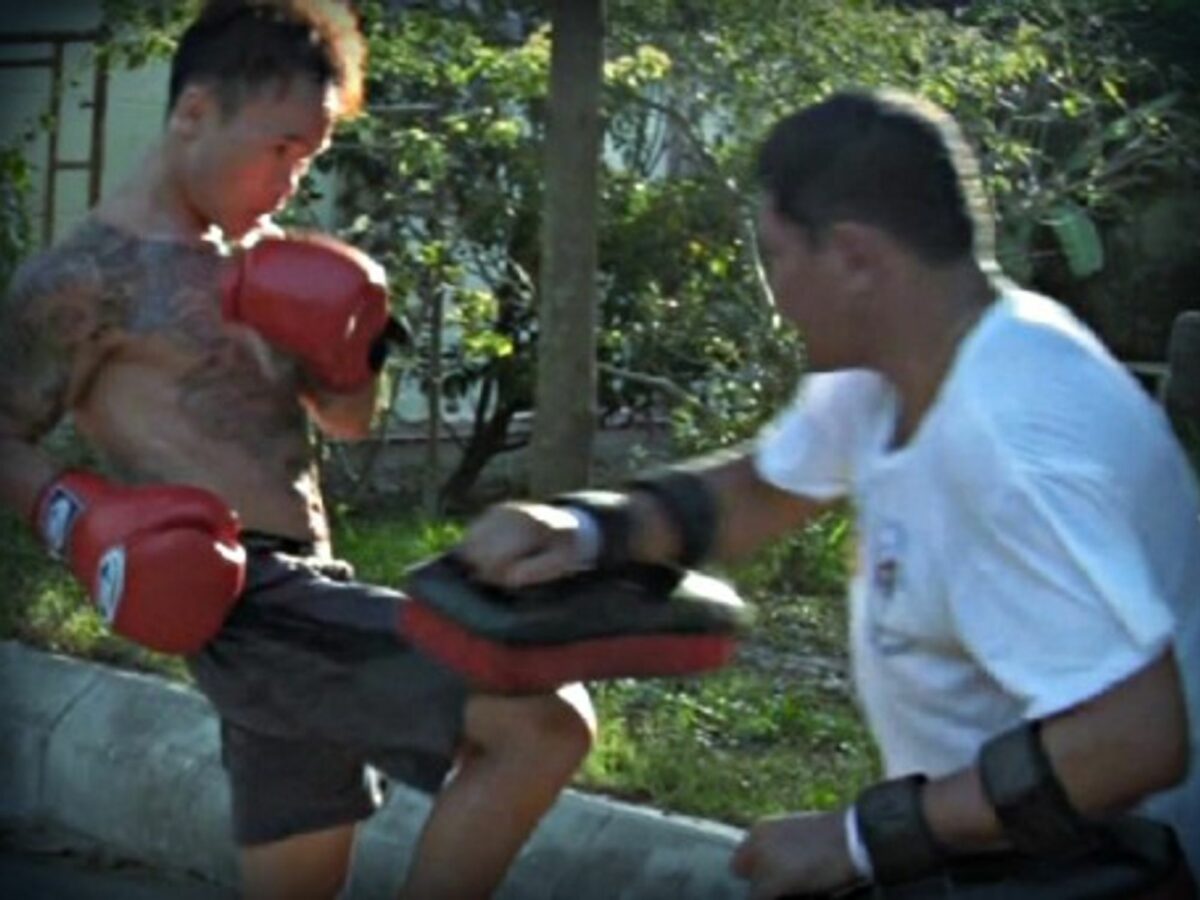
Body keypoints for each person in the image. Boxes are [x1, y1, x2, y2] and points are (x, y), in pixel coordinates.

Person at [456, 89, 1199, 898]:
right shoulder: (898, 363)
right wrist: (589, 529)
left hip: (1107, 871)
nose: (773, 297)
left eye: (774, 257)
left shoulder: (1013, 441)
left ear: (854, 259)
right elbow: (767, 487)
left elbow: (1134, 741)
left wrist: (859, 841)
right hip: (989, 853)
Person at [0, 2, 593, 898]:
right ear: (195, 114)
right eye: (280, 149)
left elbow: (347, 423)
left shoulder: (255, 259)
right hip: (252, 599)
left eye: (310, 158)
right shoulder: (85, 279)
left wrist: (351, 342)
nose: (291, 180)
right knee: (547, 718)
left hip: (309, 587)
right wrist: (72, 516)